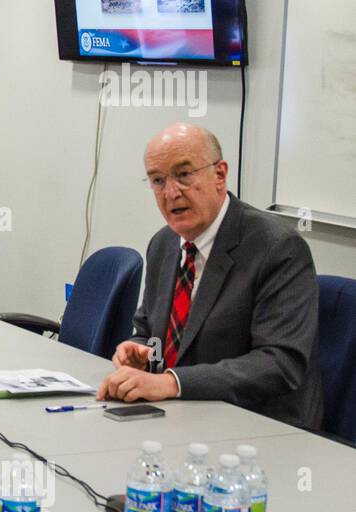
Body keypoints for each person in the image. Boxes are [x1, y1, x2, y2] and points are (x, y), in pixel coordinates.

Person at [98, 123, 323, 429]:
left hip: (256, 427)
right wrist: (140, 351)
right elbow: (148, 329)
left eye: (184, 175)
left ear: (219, 175)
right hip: (178, 418)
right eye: (158, 180)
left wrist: (172, 382)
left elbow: (279, 363)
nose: (171, 192)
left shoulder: (277, 248)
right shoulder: (163, 243)